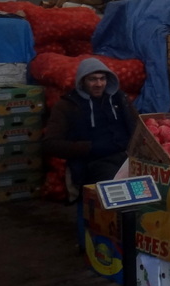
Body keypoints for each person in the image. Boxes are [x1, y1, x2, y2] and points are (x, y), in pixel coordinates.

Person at [44, 58, 139, 192]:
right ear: (82, 81)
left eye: (102, 78)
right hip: (95, 163)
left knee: (154, 185)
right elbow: (50, 144)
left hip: (127, 158)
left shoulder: (119, 99)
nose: (99, 84)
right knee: (119, 192)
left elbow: (138, 127)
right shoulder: (68, 106)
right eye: (92, 79)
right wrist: (89, 147)